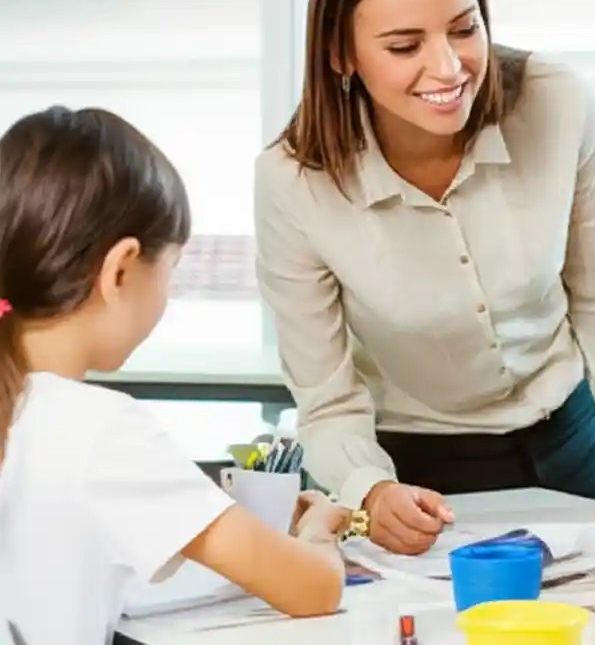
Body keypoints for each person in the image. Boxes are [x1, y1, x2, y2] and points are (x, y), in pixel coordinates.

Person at [255, 0, 595, 557]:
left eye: (464, 29)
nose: (446, 67)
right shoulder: (293, 182)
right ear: (340, 51)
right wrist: (370, 490)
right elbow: (327, 400)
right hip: (424, 478)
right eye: (404, 45)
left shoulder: (558, 104)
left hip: (582, 436)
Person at [0, 107, 350, 644]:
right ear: (120, 269)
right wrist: (318, 531)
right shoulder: (96, 428)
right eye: (171, 269)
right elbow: (314, 590)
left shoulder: (31, 410)